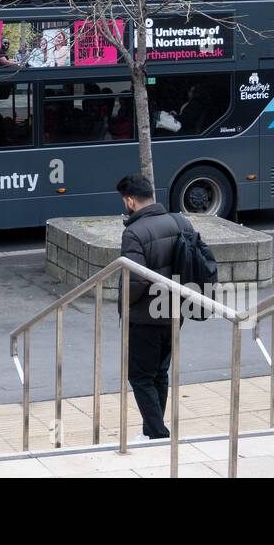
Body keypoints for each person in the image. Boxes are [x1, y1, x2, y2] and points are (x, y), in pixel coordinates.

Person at [116, 174, 184, 440]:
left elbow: (134, 280)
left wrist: (124, 307)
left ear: (131, 201)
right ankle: (151, 431)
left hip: (144, 318)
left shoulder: (133, 232)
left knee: (140, 377)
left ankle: (157, 434)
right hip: (175, 312)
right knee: (159, 374)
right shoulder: (180, 222)